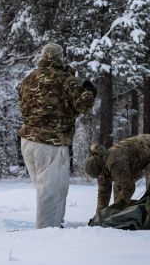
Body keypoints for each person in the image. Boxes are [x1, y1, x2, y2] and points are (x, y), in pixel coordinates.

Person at [18, 43, 96, 229]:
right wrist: (90, 92)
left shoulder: (28, 79)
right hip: (51, 143)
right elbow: (82, 106)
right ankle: (46, 234)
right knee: (51, 191)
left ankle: (55, 227)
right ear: (60, 57)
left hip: (27, 141)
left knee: (51, 188)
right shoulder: (66, 80)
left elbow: (22, 105)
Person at [83, 133, 150, 214]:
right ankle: (118, 215)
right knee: (118, 188)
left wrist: (115, 209)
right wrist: (99, 216)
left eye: (98, 175)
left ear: (100, 168)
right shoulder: (101, 167)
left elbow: (129, 187)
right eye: (97, 177)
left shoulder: (114, 163)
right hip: (136, 162)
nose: (99, 178)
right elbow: (103, 194)